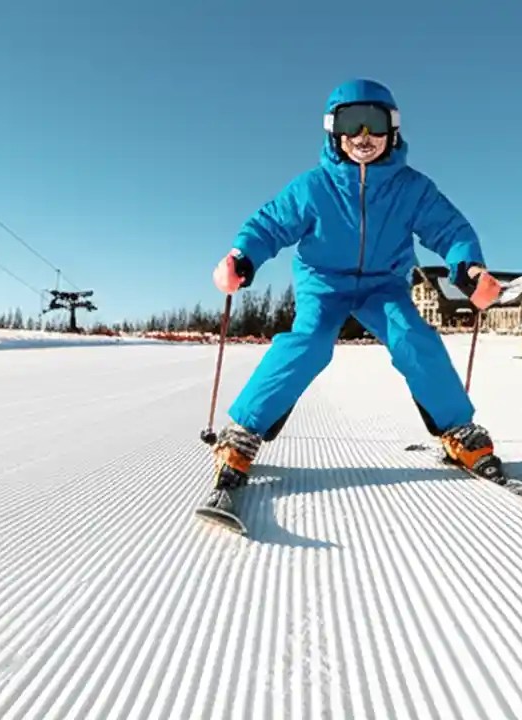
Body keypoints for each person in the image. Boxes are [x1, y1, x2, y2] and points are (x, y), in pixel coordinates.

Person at [202, 78, 504, 515]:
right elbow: (270, 225)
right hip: (323, 281)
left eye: (374, 124)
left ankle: (458, 430)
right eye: (351, 124)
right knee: (309, 342)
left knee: (413, 336)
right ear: (333, 131)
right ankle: (243, 431)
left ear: (393, 129)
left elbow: (450, 230)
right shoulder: (313, 186)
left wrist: (470, 268)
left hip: (384, 283)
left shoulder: (411, 188)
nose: (363, 136)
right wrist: (241, 258)